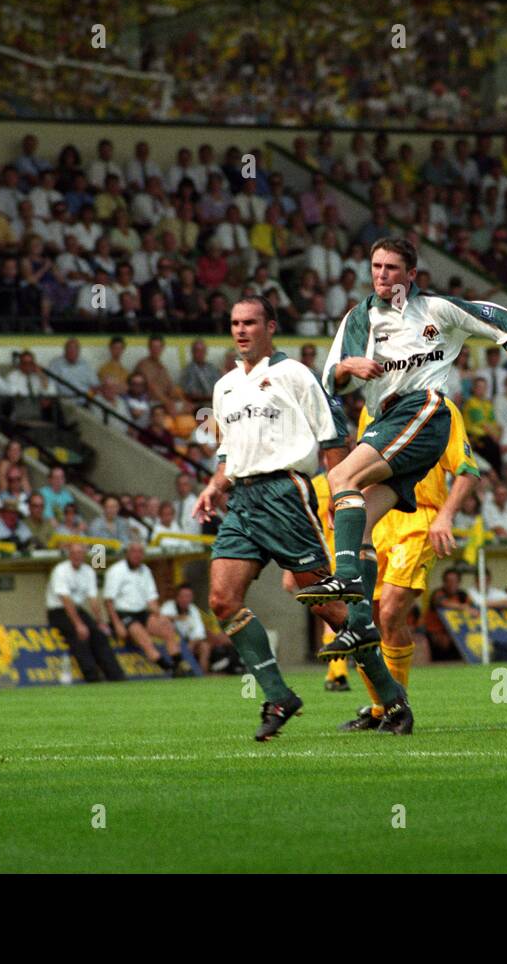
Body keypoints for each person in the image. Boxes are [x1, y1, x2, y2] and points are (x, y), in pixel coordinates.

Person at [297, 237, 507, 719]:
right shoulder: (359, 319)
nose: (381, 274)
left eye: (391, 267)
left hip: (425, 411)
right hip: (388, 423)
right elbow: (332, 383)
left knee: (342, 476)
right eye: (375, 266)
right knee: (360, 519)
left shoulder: (438, 310)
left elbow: (506, 324)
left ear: (411, 275)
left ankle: (345, 581)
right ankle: (368, 648)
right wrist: (348, 367)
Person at [193, 295, 366, 740]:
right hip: (242, 500)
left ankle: (389, 696)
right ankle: (279, 697)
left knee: (326, 605)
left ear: (270, 327)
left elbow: (333, 436)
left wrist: (339, 492)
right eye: (235, 323)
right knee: (222, 601)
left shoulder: (295, 374)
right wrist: (214, 487)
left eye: (250, 322)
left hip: (286, 493)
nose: (240, 330)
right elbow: (227, 452)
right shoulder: (225, 386)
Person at [334, 394, 479, 732]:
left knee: (391, 611)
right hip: (376, 519)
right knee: (365, 616)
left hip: (419, 518)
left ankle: (396, 706)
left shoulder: (441, 407)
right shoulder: (370, 409)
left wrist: (446, 516)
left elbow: (468, 470)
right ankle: (380, 707)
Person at [102, 541, 184, 676]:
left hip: (142, 612)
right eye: (134, 551)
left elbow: (151, 599)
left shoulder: (145, 570)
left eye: (140, 552)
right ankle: (168, 669)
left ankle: (179, 665)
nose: (137, 555)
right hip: (123, 614)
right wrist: (117, 624)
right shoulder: (116, 571)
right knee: (144, 638)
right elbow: (108, 601)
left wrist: (160, 616)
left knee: (168, 629)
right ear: (127, 553)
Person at [47, 542, 125, 683]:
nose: (77, 556)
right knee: (79, 635)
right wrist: (78, 624)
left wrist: (100, 622)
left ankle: (116, 676)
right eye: (74, 553)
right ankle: (92, 677)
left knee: (99, 635)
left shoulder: (89, 571)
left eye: (80, 553)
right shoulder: (60, 570)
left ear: (84, 555)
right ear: (69, 555)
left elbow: (93, 600)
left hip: (77, 609)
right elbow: (65, 600)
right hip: (58, 611)